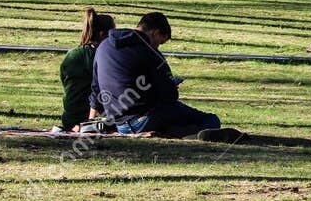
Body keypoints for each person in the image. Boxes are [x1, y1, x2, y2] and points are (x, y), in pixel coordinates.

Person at [88, 11, 240, 141]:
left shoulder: (104, 46)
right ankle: (188, 134)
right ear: (155, 33)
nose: (157, 47)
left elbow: (95, 89)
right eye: (159, 42)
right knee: (211, 119)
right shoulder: (150, 52)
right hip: (144, 119)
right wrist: (170, 85)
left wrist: (91, 122)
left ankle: (176, 131)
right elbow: (170, 96)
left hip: (119, 124)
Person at [58, 8, 115, 131]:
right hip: (91, 118)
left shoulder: (72, 54)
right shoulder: (103, 56)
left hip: (69, 118)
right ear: (102, 35)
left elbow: (64, 80)